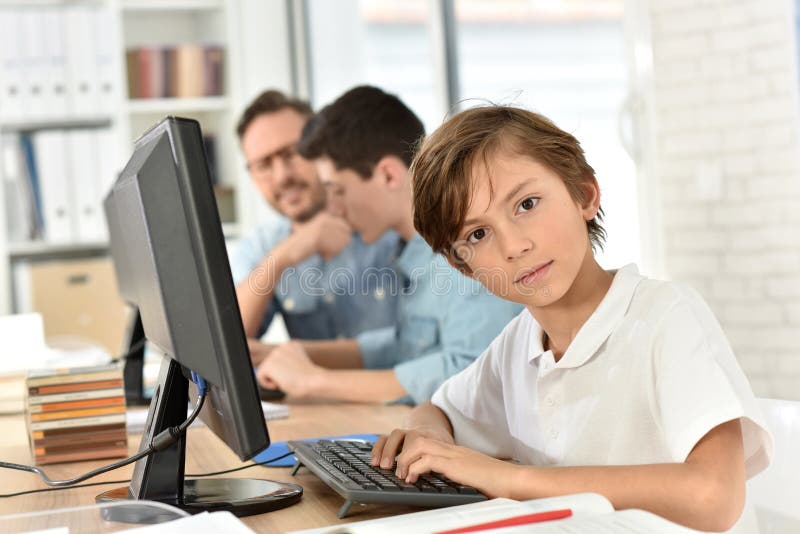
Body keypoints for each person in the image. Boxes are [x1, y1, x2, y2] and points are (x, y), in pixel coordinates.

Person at [370, 105, 773, 532]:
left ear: (585, 194)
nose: (514, 245)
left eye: (526, 204)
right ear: (464, 266)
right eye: (478, 234)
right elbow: (439, 410)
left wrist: (511, 480)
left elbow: (714, 496)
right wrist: (429, 442)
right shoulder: (519, 343)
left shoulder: (666, 317)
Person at [250, 86, 522, 404]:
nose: (332, 208)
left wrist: (315, 381)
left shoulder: (466, 250)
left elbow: (468, 372)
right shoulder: (413, 254)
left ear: (389, 176)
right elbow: (408, 346)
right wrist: (284, 354)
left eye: (336, 190)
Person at [232, 90, 399, 342]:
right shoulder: (262, 246)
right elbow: (227, 343)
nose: (281, 176)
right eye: (264, 165)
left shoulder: (387, 221)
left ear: (319, 147)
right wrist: (282, 257)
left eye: (291, 153)